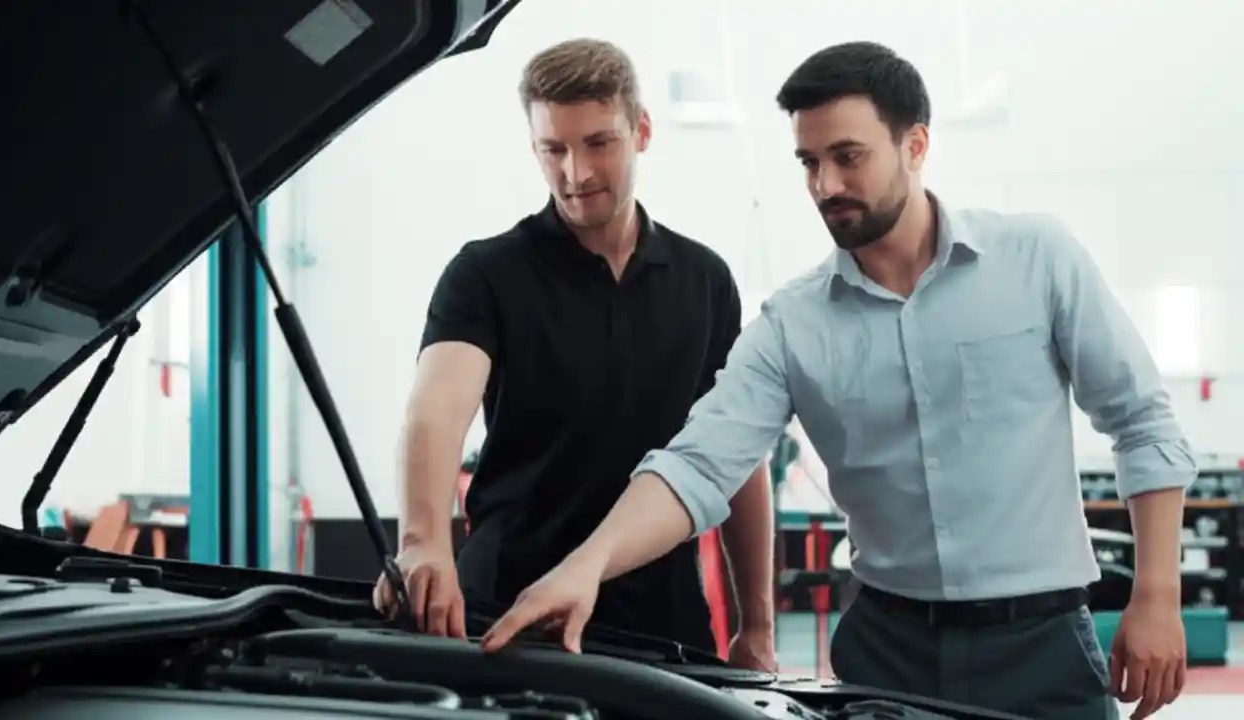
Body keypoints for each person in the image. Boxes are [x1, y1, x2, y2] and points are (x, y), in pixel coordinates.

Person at [478, 41, 1194, 720]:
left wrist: (1158, 597)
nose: (826, 185)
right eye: (809, 162)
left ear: (915, 144)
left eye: (848, 157)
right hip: (888, 650)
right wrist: (587, 567)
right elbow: (698, 464)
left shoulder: (1037, 258)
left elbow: (1141, 420)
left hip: (1044, 648)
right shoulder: (793, 323)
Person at [371, 38, 777, 669]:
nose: (576, 173)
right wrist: (422, 541)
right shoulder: (484, 274)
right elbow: (436, 409)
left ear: (641, 131)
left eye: (598, 144)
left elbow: (738, 459)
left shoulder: (705, 280)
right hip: (506, 618)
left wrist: (757, 624)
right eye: (552, 149)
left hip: (664, 628)